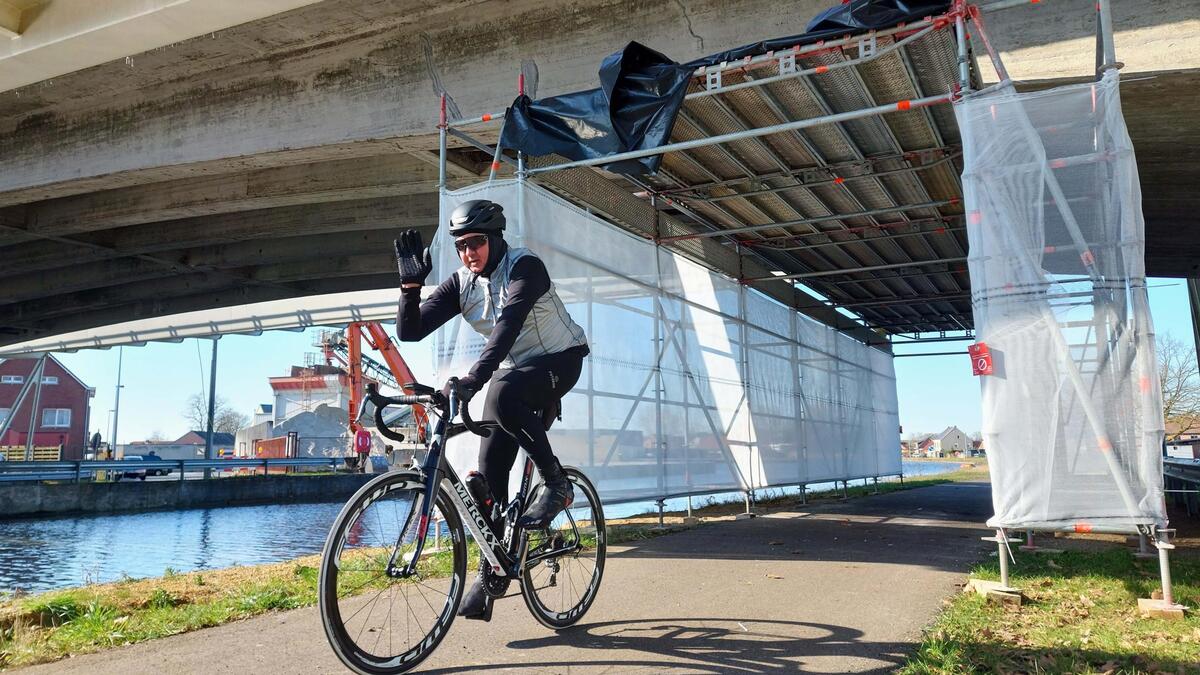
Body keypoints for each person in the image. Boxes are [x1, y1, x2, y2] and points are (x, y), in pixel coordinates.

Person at [393, 198, 589, 620]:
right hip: (515, 373)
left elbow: (505, 329)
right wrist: (410, 289)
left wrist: (471, 381)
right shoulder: (463, 282)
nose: (469, 253)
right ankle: (493, 570)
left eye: (477, 242)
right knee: (488, 475)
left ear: (496, 238)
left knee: (499, 395)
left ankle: (557, 484)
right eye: (461, 245)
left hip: (560, 359)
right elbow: (410, 332)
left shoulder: (525, 268)